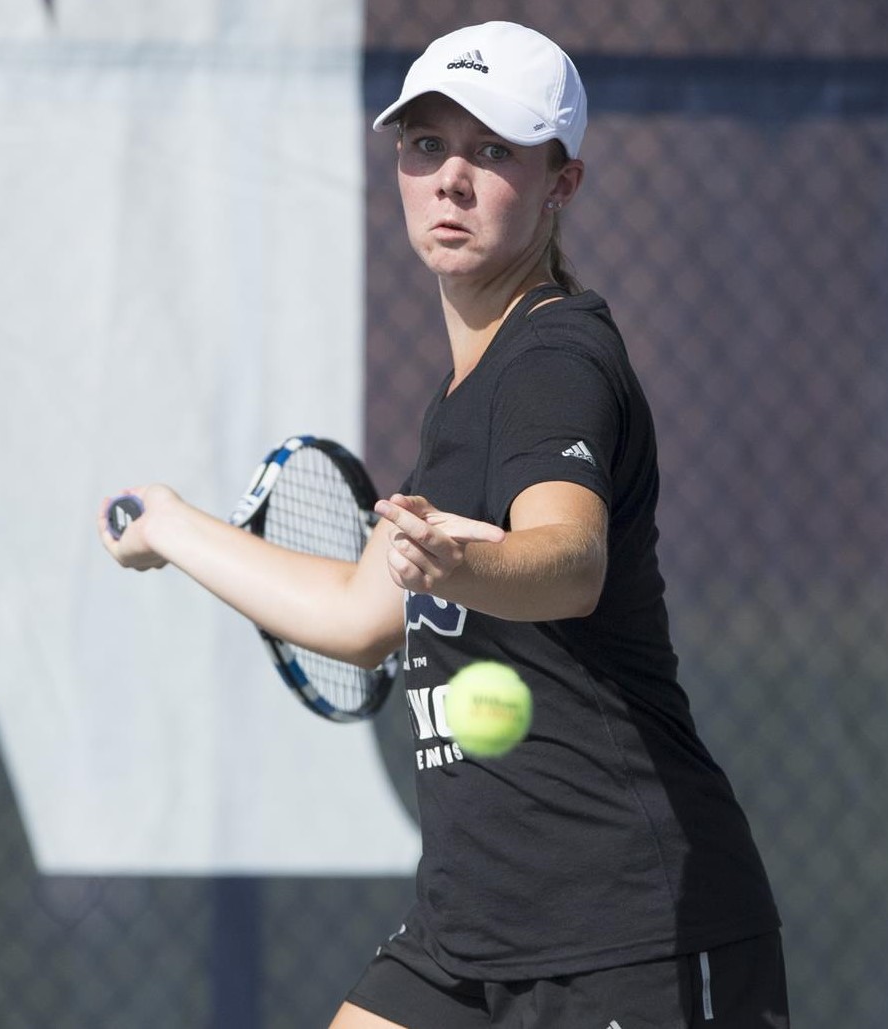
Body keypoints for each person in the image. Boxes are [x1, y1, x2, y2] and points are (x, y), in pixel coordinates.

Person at [101, 21, 787, 1029]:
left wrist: (464, 565)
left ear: (562, 184)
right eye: (426, 147)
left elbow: (569, 560)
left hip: (625, 934)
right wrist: (170, 526)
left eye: (493, 151)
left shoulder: (555, 363)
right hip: (472, 932)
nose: (450, 180)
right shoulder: (464, 395)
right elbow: (357, 613)